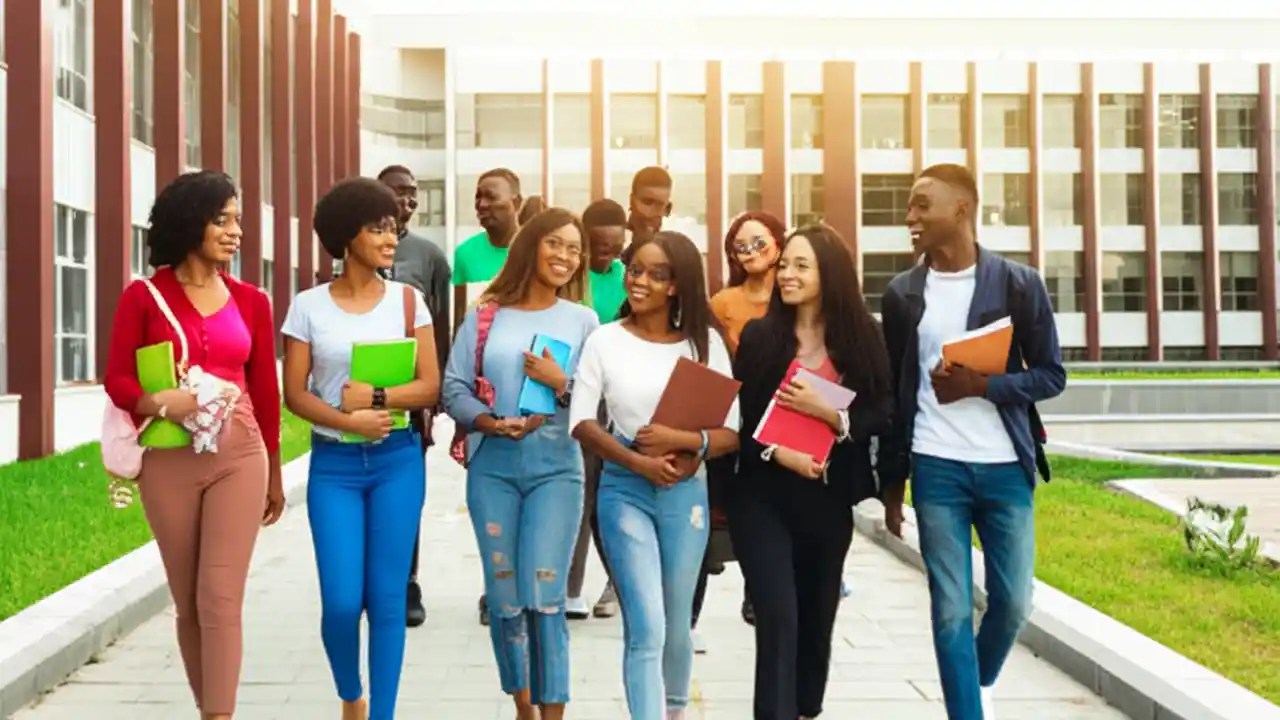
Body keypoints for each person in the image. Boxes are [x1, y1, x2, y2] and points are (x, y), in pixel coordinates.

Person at [879, 163, 1066, 720]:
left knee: (1013, 603)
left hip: (1005, 465)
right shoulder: (902, 294)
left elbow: (1052, 375)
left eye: (920, 205)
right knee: (951, 610)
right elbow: (895, 393)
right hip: (937, 466)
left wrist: (983, 385)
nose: (909, 217)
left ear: (961, 209)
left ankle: (973, 683)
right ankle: (967, 711)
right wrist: (892, 486)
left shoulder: (1017, 283)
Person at [103, 171, 285, 720]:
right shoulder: (144, 296)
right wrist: (164, 403)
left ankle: (220, 715)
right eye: (222, 220)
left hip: (240, 456)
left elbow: (265, 392)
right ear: (192, 224)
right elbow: (117, 381)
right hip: (169, 464)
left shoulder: (252, 300)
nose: (235, 232)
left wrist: (274, 473)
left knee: (219, 599)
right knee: (188, 602)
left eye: (238, 221)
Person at [281, 177, 440, 720]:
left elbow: (430, 386)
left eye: (394, 228)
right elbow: (294, 395)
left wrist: (377, 398)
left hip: (397, 460)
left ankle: (383, 715)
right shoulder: (307, 307)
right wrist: (348, 419)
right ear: (347, 237)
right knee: (343, 603)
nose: (391, 238)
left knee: (388, 600)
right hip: (335, 467)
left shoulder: (407, 302)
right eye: (377, 228)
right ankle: (351, 694)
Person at [571, 231, 740, 720]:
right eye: (635, 269)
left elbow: (731, 431)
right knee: (646, 624)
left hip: (686, 488)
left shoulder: (703, 344)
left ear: (676, 285)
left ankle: (675, 710)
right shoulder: (604, 339)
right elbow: (581, 422)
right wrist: (639, 462)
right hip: (625, 488)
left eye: (656, 273)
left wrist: (688, 448)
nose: (640, 280)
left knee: (677, 623)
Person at [731, 224, 894, 720]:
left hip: (827, 500)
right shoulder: (762, 337)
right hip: (762, 498)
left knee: (816, 619)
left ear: (831, 275)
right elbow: (742, 420)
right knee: (778, 617)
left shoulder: (863, 338)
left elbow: (884, 409)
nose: (787, 274)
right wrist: (780, 454)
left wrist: (832, 416)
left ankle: (805, 709)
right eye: (786, 265)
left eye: (802, 266)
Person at [443, 207, 599, 720]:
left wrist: (560, 382)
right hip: (492, 470)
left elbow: (595, 402)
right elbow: (453, 388)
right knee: (506, 598)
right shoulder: (485, 313)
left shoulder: (583, 321)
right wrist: (489, 422)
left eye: (574, 249)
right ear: (531, 245)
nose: (565, 256)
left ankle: (553, 714)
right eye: (555, 243)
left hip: (557, 468)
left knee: (545, 595)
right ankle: (523, 709)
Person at [699, 210, 787, 640]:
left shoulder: (794, 295)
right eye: (741, 246)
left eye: (760, 242)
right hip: (738, 415)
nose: (750, 251)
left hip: (789, 413)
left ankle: (762, 590)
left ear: (779, 243)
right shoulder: (723, 302)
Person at [376, 164, 453, 629]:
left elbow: (441, 327)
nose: (406, 201)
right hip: (359, 393)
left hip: (412, 396)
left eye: (412, 195)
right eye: (397, 192)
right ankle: (374, 581)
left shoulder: (429, 256)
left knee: (406, 490)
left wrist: (436, 393)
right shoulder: (351, 249)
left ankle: (407, 582)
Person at [565, 198, 629, 621]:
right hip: (577, 393)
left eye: (612, 246)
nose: (605, 254)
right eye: (598, 246)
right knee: (581, 497)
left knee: (614, 496)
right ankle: (571, 588)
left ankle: (619, 583)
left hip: (622, 396)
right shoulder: (573, 278)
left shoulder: (629, 275)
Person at [452, 168, 523, 330]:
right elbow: (460, 322)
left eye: (491, 197)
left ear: (516, 202)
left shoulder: (536, 250)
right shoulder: (465, 253)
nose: (482, 205)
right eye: (478, 197)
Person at [620, 166, 673, 265]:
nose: (649, 214)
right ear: (632, 201)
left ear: (667, 208)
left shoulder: (674, 258)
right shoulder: (612, 244)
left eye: (659, 205)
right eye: (646, 202)